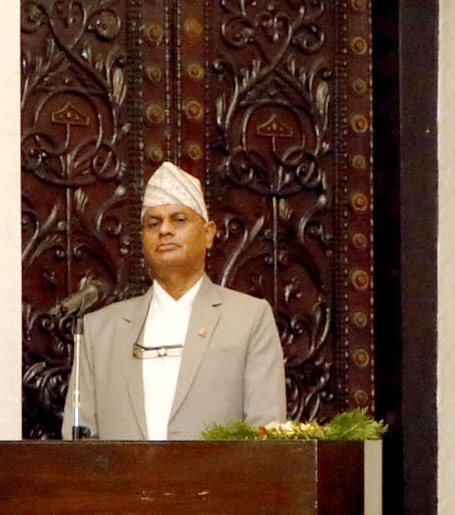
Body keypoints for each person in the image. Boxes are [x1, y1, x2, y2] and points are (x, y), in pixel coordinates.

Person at [61, 162, 289, 439]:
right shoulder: (100, 330)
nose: (164, 230)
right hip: (124, 483)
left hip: (216, 483)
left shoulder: (249, 318)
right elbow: (79, 445)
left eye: (179, 219)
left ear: (208, 234)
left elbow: (266, 436)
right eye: (153, 223)